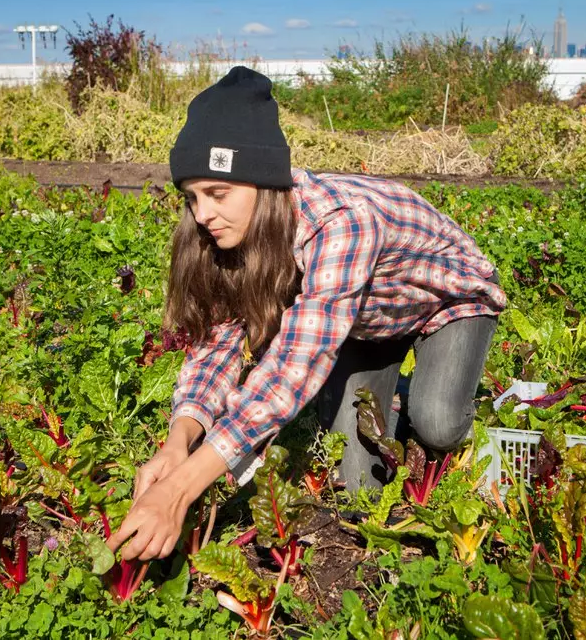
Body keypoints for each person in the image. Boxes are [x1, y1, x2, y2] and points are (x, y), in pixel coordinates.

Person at [107, 66, 506, 562]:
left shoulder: (342, 223)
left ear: (262, 183)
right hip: (362, 322)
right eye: (192, 198)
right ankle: (398, 388)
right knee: (355, 481)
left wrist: (183, 489)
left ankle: (451, 397)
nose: (202, 214)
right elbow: (218, 347)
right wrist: (177, 441)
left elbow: (292, 371)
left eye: (217, 193)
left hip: (446, 304)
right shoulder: (234, 231)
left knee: (438, 423)